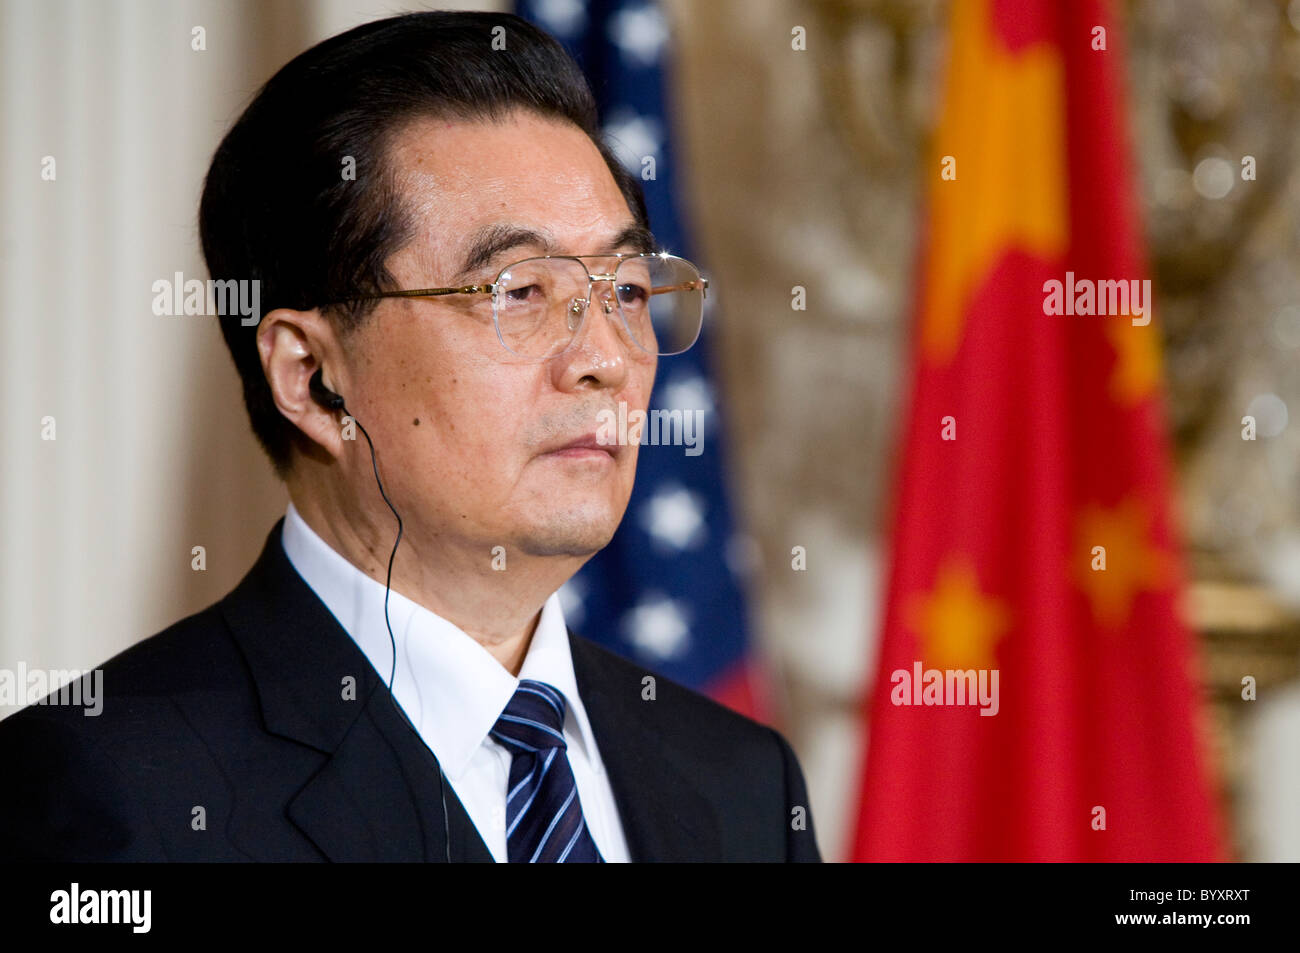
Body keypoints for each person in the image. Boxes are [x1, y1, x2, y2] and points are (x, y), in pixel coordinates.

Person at [0, 10, 820, 862]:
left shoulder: (744, 783)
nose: (605, 361)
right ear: (312, 377)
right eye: (518, 291)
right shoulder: (107, 788)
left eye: (622, 290)